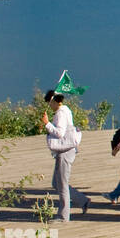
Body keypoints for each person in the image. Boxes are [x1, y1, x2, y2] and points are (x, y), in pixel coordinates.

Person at [41, 90, 89, 221]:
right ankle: (82, 200)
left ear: (56, 102)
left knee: (61, 184)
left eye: (50, 103)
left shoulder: (60, 114)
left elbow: (60, 133)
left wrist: (47, 124)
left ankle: (63, 215)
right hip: (67, 150)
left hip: (65, 151)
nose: (49, 105)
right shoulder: (65, 110)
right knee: (56, 182)